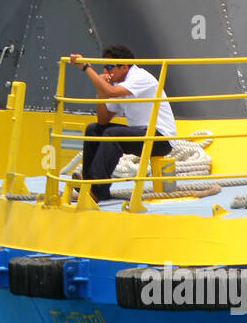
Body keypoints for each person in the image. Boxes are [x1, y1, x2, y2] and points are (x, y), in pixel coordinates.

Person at [70, 43, 176, 204]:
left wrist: (86, 68)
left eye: (110, 67)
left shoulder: (139, 77)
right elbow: (103, 119)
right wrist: (100, 89)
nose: (106, 72)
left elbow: (110, 92)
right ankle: (91, 186)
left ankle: (96, 190)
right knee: (94, 129)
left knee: (112, 135)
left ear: (124, 67)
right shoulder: (120, 86)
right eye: (105, 67)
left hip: (160, 138)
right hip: (141, 134)